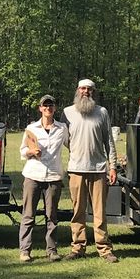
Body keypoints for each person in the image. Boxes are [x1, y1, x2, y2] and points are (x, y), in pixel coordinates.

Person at [62, 78, 118, 262]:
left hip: (99, 169)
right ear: (77, 91)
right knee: (78, 211)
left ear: (93, 92)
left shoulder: (101, 112)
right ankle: (78, 248)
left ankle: (104, 248)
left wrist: (112, 166)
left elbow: (108, 141)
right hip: (76, 169)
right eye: (82, 88)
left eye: (89, 89)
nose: (85, 91)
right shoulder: (67, 113)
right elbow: (64, 139)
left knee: (99, 212)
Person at [18, 94, 67, 263]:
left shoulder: (62, 129)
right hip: (33, 175)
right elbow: (22, 151)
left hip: (53, 176)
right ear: (40, 108)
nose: (48, 108)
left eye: (51, 105)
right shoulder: (31, 128)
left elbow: (71, 145)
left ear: (55, 108)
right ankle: (25, 251)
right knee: (28, 215)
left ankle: (52, 250)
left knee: (52, 216)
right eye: (45, 105)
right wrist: (31, 152)